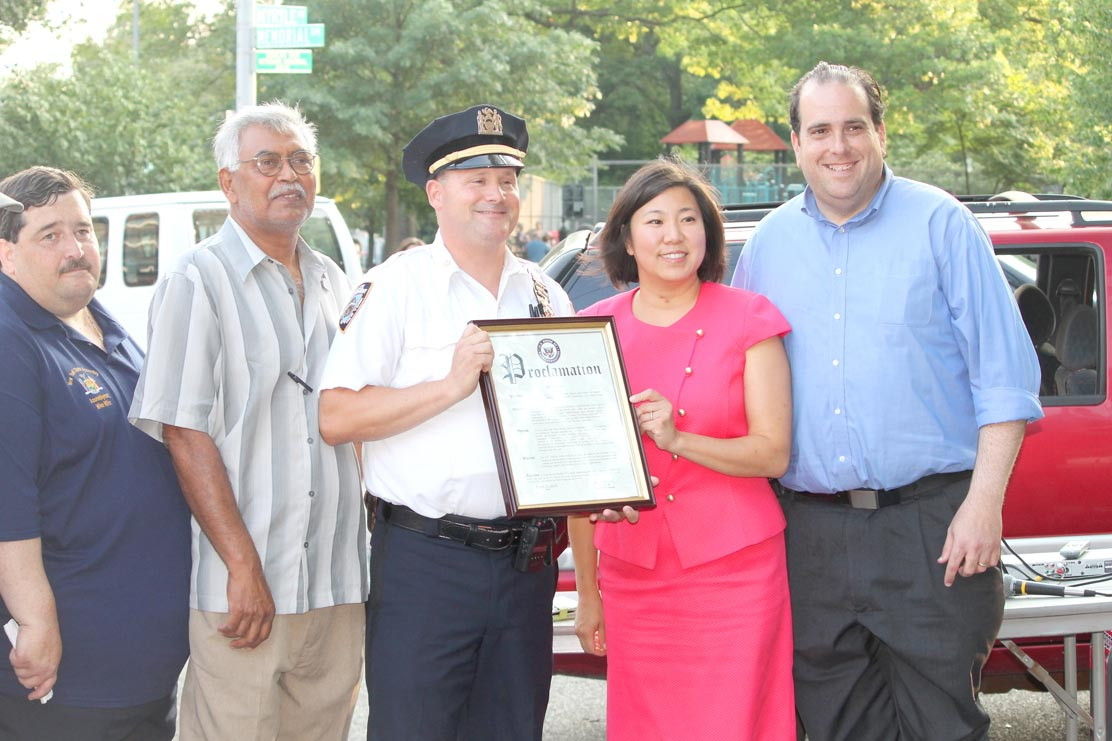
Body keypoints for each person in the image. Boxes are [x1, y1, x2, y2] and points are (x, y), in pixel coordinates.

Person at [732, 62, 1043, 740]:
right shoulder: (765, 249)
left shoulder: (943, 225)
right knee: (838, 728)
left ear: (880, 132)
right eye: (819, 130)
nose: (837, 146)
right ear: (795, 142)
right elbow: (739, 395)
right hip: (810, 536)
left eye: (852, 127)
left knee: (943, 725)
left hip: (932, 530)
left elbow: (1007, 382)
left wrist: (982, 507)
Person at [319, 104, 632, 741]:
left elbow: (570, 438)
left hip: (525, 565)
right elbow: (335, 415)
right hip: (426, 563)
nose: (496, 193)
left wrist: (609, 482)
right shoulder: (397, 287)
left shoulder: (546, 296)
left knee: (514, 728)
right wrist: (451, 384)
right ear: (436, 192)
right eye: (475, 178)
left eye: (508, 179)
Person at [129, 103, 368, 741]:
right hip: (245, 591)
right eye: (266, 162)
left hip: (336, 584)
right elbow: (183, 430)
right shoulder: (196, 281)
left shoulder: (335, 283)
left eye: (300, 161)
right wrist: (242, 567)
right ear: (228, 183)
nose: (288, 175)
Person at [569, 159, 795, 740]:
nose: (674, 235)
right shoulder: (590, 331)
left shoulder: (751, 319)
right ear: (626, 236)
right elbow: (580, 480)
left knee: (736, 724)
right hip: (634, 578)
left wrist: (679, 439)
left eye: (689, 219)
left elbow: (773, 454)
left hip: (736, 572)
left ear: (708, 233)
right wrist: (588, 595)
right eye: (656, 221)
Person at [0, 167, 191, 739]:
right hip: (68, 682)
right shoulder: (11, 342)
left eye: (83, 231)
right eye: (50, 235)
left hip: (141, 670)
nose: (75, 249)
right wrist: (35, 621)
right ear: (5, 253)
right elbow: (8, 500)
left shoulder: (104, 323)